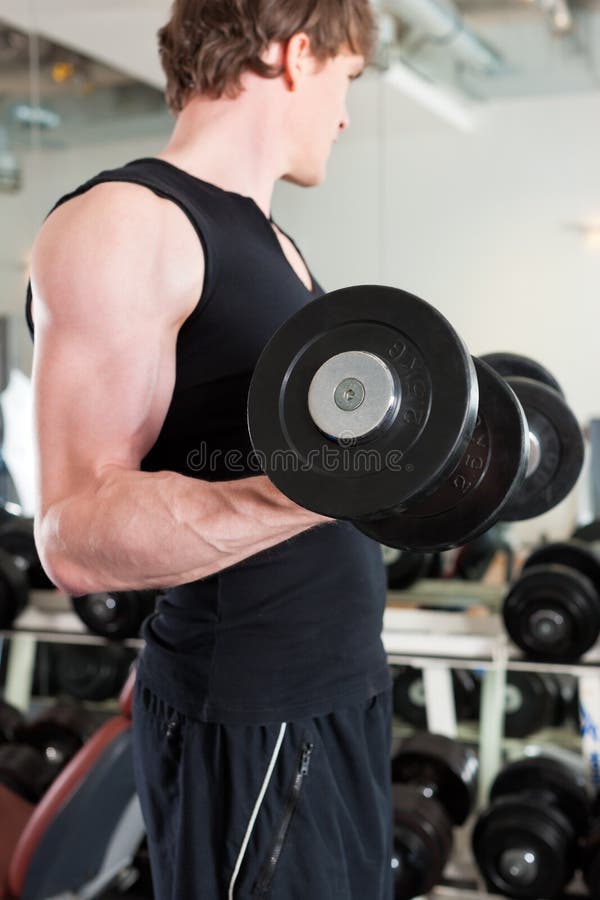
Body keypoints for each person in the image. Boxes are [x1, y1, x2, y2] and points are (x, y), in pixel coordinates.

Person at [26, 1, 393, 897]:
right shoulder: (129, 221)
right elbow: (72, 532)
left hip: (339, 693)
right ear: (299, 53)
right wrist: (324, 487)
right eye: (347, 81)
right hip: (251, 712)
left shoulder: (272, 244)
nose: (345, 116)